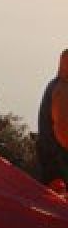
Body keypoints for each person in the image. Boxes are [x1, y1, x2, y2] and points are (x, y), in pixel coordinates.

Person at [36, 49, 68, 184]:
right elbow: (63, 128)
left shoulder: (57, 84)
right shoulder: (62, 88)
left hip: (51, 152)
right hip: (58, 155)